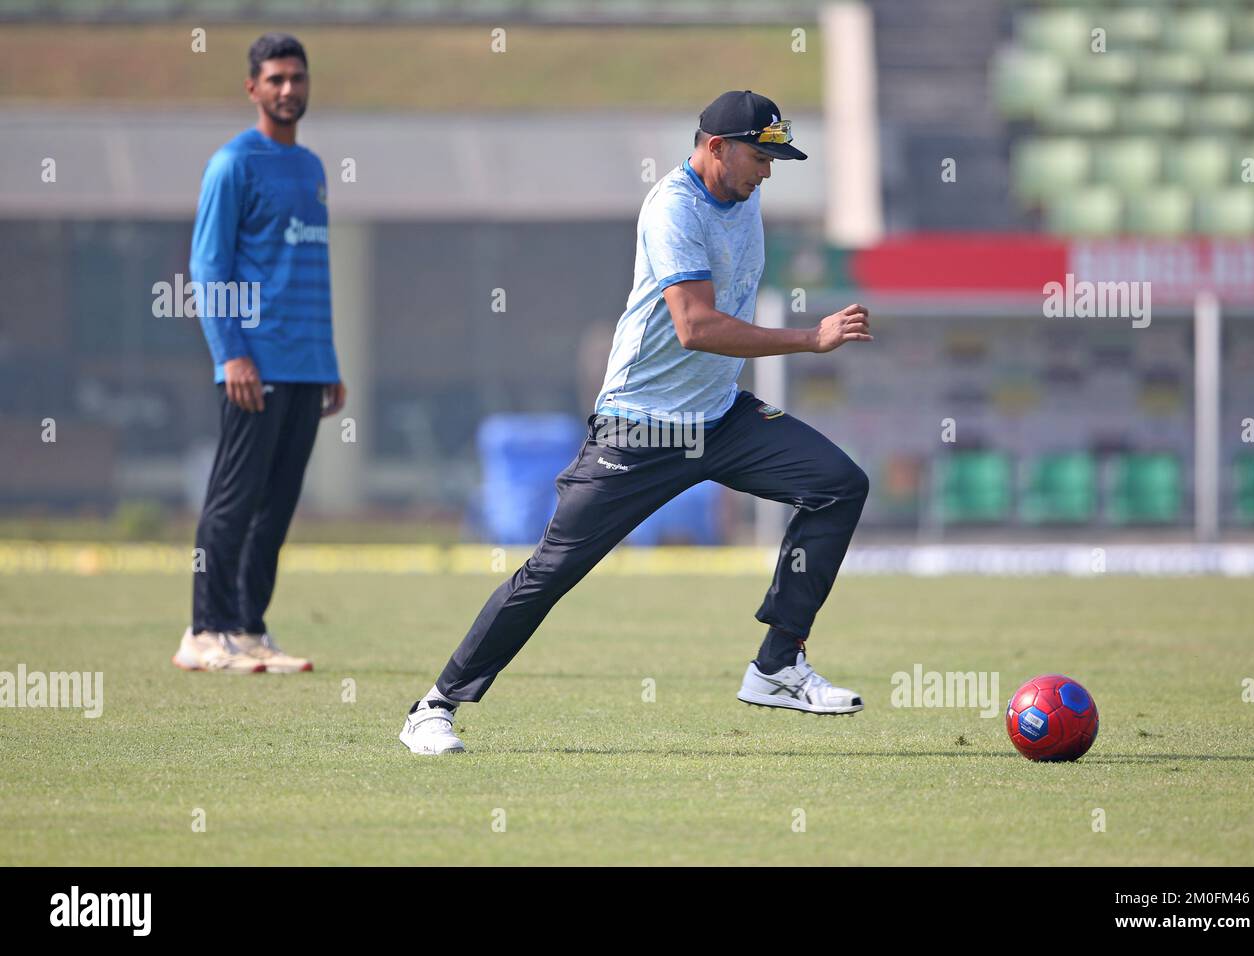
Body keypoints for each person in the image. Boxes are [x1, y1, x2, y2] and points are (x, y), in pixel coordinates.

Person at [401, 90, 871, 754]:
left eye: (773, 159)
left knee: (838, 483)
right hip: (643, 427)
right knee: (552, 571)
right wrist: (810, 339)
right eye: (759, 158)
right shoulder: (673, 208)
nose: (767, 173)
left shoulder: (744, 196)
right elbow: (695, 327)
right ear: (715, 149)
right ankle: (434, 706)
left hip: (720, 417)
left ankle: (778, 663)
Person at [173, 33, 346, 675]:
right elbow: (209, 264)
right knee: (233, 498)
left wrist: (328, 362)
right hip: (253, 363)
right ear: (252, 88)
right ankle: (204, 629)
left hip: (306, 365)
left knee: (276, 505)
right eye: (274, 79)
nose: (287, 89)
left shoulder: (311, 168)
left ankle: (247, 628)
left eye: (296, 78)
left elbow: (312, 268)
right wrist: (232, 355)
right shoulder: (232, 165)